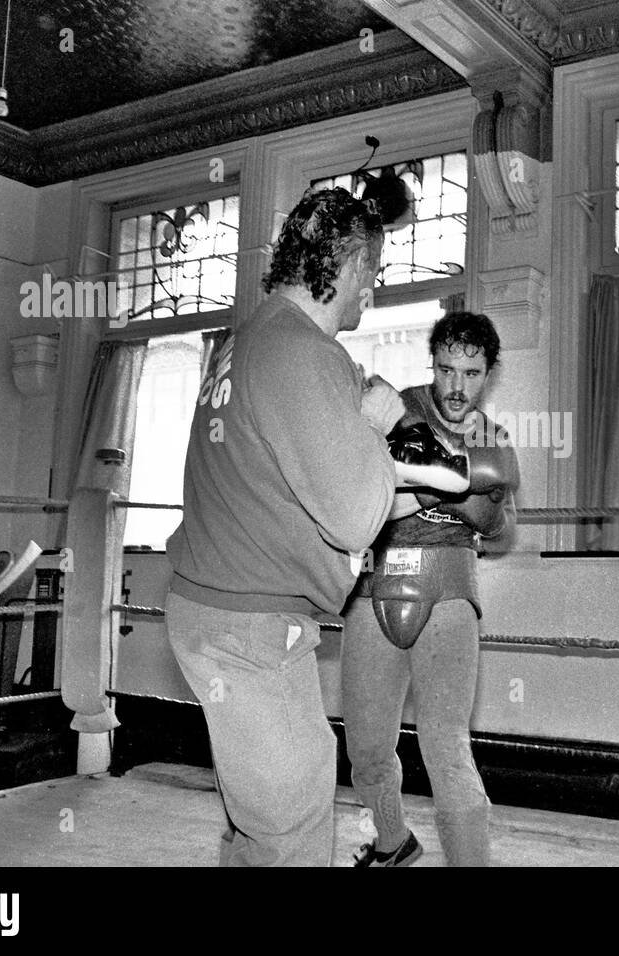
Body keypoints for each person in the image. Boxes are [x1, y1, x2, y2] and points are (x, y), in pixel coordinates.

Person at [163, 186, 408, 867]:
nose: (374, 290)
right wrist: (376, 426)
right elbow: (356, 515)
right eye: (375, 272)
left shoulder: (247, 341)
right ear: (349, 262)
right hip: (250, 630)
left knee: (256, 820)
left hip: (211, 609)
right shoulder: (306, 352)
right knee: (292, 825)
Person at [342, 311, 520, 867]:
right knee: (366, 748)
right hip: (375, 583)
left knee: (446, 747)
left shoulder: (495, 437)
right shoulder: (396, 407)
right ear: (433, 364)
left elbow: (501, 526)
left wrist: (423, 481)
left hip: (449, 590)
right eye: (445, 370)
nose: (456, 387)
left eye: (470, 373)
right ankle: (394, 841)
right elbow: (354, 481)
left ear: (488, 373)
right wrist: (459, 485)